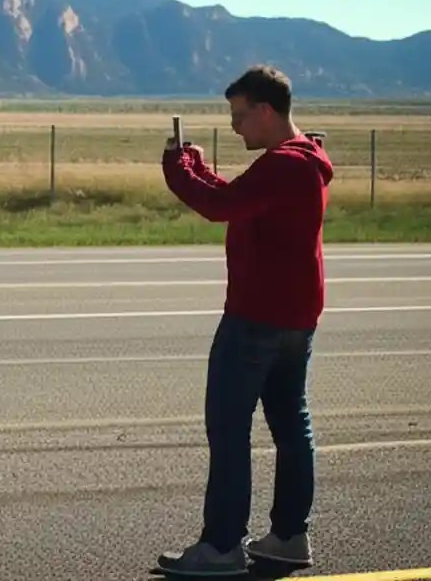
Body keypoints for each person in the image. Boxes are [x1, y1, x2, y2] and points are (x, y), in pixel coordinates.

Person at [155, 65, 334, 577]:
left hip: (256, 318)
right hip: (295, 319)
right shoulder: (302, 161)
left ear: (266, 110)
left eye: (239, 116)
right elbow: (239, 203)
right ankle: (287, 536)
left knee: (230, 431)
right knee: (290, 426)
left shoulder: (283, 165)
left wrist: (176, 169)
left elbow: (218, 206)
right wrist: (196, 165)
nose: (235, 127)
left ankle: (222, 546)